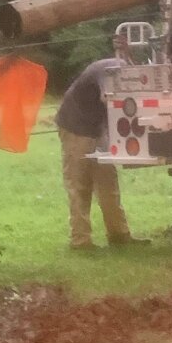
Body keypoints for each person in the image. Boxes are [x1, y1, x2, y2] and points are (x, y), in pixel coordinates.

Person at [56, 51, 138, 250]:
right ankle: (81, 241)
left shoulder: (124, 70)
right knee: (79, 185)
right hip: (75, 127)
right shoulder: (108, 70)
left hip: (97, 128)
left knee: (108, 182)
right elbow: (107, 98)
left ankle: (119, 235)